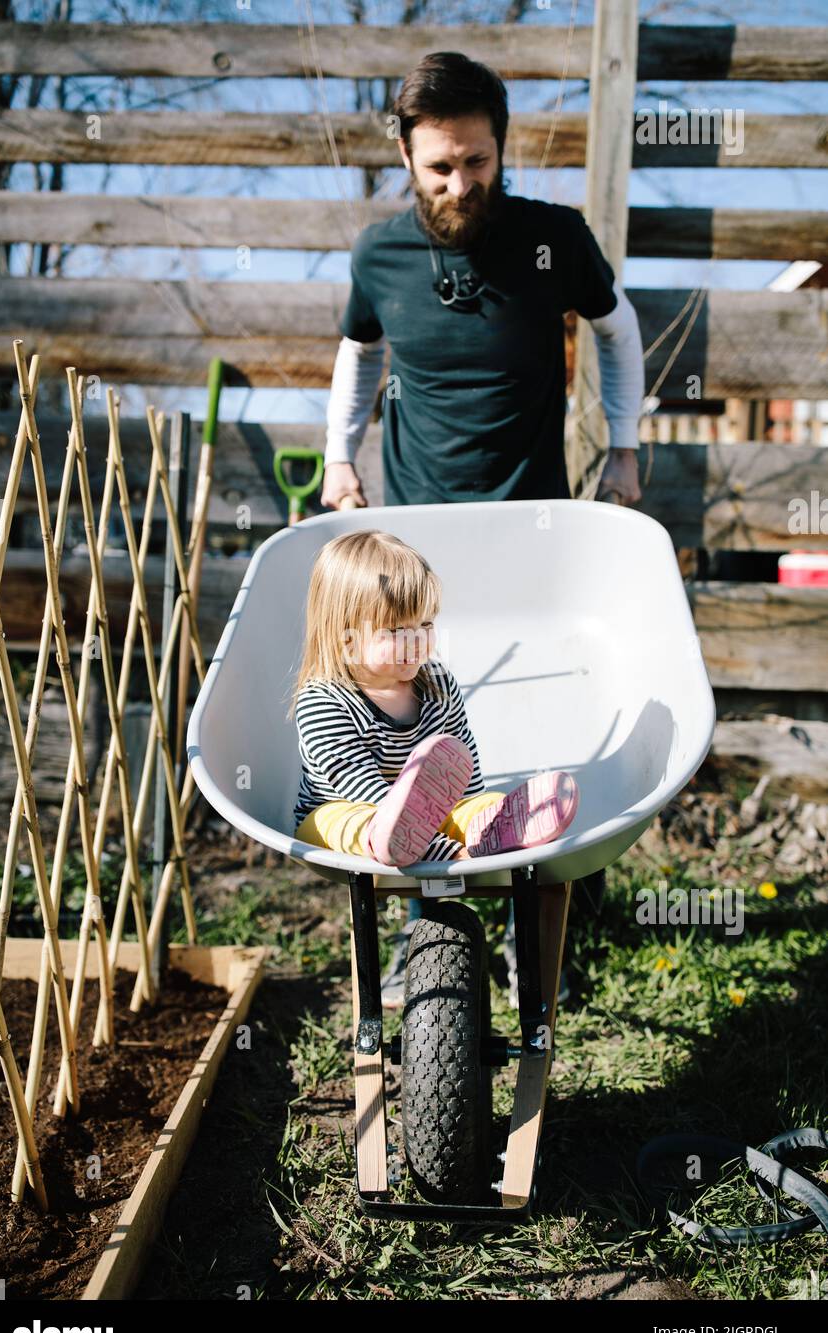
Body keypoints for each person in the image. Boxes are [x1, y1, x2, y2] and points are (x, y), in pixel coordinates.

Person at [318, 51, 645, 1003]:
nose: (462, 184)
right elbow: (357, 353)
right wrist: (341, 459)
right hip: (418, 538)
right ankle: (434, 930)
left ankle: (535, 928)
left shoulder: (552, 240)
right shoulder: (380, 255)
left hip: (529, 529)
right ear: (408, 161)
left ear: (500, 148)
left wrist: (623, 447)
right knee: (420, 729)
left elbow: (618, 331)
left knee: (531, 715)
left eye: (479, 162)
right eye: (441, 168)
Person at [288, 530, 580, 866]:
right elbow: (359, 784)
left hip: (427, 816)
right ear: (345, 636)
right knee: (344, 822)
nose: (416, 640)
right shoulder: (324, 702)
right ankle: (429, 843)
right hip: (347, 817)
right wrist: (445, 849)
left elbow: (462, 757)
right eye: (396, 631)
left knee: (480, 807)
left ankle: (497, 829)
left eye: (425, 623)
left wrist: (472, 811)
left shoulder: (437, 684)